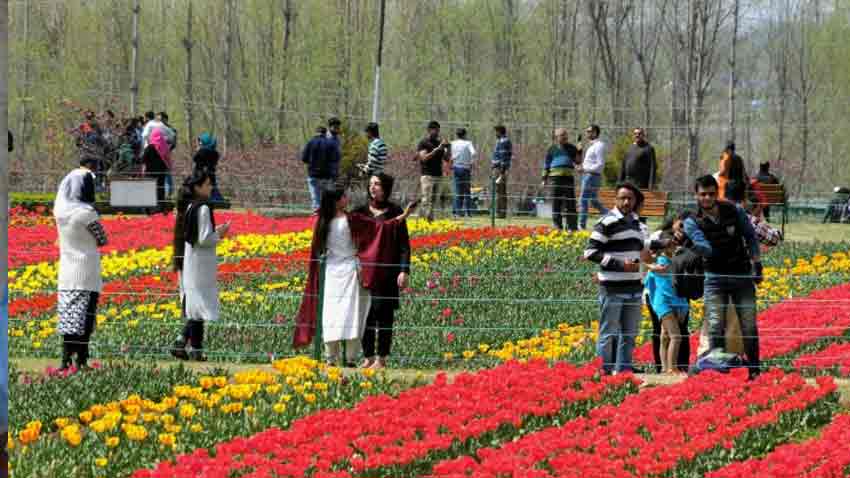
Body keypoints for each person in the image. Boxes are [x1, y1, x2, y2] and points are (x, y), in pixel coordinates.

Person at [293, 188, 416, 366]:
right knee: (353, 313)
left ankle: (331, 358)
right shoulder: (351, 219)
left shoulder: (322, 221)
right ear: (337, 201)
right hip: (350, 270)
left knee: (331, 314)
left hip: (331, 272)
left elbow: (319, 250)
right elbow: (381, 227)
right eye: (343, 196)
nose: (347, 198)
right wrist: (403, 216)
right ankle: (350, 358)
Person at [684, 175, 763, 379]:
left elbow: (751, 237)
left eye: (711, 193)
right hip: (714, 277)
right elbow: (707, 249)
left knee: (748, 324)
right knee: (715, 324)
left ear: (717, 192)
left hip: (742, 274)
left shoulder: (734, 210)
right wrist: (692, 245)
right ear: (696, 195)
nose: (708, 198)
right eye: (703, 194)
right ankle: (718, 374)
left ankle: (755, 371)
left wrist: (757, 263)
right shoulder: (692, 221)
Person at [583, 181, 663, 374]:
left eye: (630, 198)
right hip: (612, 289)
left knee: (629, 334)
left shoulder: (635, 222)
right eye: (623, 198)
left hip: (634, 288)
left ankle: (624, 371)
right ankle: (604, 372)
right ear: (615, 199)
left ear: (635, 201)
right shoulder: (606, 222)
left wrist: (667, 242)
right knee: (608, 333)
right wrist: (620, 264)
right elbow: (590, 252)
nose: (626, 202)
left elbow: (642, 245)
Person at [169, 171, 230, 361]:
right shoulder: (203, 208)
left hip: (191, 260)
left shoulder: (189, 207)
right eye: (208, 184)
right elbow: (204, 238)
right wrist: (220, 233)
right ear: (197, 187)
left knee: (196, 305)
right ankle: (188, 346)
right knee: (200, 306)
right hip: (201, 263)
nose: (211, 187)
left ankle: (191, 347)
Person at [54, 158, 108, 370]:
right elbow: (102, 239)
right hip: (86, 271)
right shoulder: (86, 214)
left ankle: (65, 360)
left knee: (69, 318)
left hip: (67, 271)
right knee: (85, 319)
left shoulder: (60, 213)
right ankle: (82, 360)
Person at [354, 174, 411, 369]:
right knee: (365, 315)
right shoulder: (360, 212)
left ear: (386, 187)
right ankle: (368, 356)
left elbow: (404, 245)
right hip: (364, 272)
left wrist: (404, 270)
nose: (373, 187)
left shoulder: (395, 211)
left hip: (387, 271)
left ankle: (382, 358)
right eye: (370, 184)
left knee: (384, 314)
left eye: (377, 184)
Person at [645, 231, 689, 374]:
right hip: (664, 303)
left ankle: (665, 368)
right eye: (671, 245)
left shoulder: (672, 261)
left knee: (665, 336)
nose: (675, 247)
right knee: (676, 336)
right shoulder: (662, 264)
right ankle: (672, 368)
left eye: (675, 244)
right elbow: (653, 280)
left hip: (672, 302)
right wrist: (647, 264)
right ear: (663, 248)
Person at [541, 128, 580, 231]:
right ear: (556, 137)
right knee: (556, 203)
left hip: (568, 178)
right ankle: (557, 226)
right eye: (562, 135)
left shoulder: (572, 148)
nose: (565, 137)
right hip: (554, 178)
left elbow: (578, 161)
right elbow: (546, 164)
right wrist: (544, 179)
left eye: (565, 135)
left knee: (570, 202)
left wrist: (579, 150)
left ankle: (572, 226)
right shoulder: (551, 149)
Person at [417, 120, 451, 222]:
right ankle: (422, 220)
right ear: (429, 130)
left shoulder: (439, 142)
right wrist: (437, 149)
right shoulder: (423, 143)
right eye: (434, 129)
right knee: (426, 200)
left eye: (438, 130)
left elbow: (447, 159)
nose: (436, 132)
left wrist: (448, 148)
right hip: (427, 175)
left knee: (434, 201)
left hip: (438, 175)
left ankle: (430, 221)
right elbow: (423, 158)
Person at [577, 124, 608, 229]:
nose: (587, 133)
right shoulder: (591, 146)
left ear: (595, 132)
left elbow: (600, 164)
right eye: (587, 131)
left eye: (589, 131)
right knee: (593, 201)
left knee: (583, 200)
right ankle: (610, 216)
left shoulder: (599, 145)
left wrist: (585, 169)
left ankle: (581, 226)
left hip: (591, 176)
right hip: (589, 175)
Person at [302, 126, 340, 212]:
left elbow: (304, 158)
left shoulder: (310, 142)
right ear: (325, 133)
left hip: (313, 174)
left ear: (316, 132)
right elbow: (335, 159)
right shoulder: (330, 143)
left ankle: (316, 214)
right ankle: (327, 216)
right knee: (327, 198)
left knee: (315, 197)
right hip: (327, 175)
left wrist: (311, 162)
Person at [141, 129, 171, 210]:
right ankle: (161, 208)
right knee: (160, 189)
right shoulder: (164, 146)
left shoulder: (149, 147)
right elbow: (168, 159)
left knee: (149, 191)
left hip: (150, 173)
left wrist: (143, 171)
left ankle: (149, 209)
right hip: (161, 172)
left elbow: (143, 160)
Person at [450, 128, 477, 217]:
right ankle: (469, 213)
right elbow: (473, 153)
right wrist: (471, 162)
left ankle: (457, 212)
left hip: (456, 168)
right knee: (467, 191)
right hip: (466, 168)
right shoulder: (468, 143)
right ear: (465, 135)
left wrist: (452, 161)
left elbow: (448, 155)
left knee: (457, 191)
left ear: (457, 135)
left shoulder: (452, 143)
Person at [193, 132, 224, 202]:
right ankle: (215, 198)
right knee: (212, 187)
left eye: (201, 142)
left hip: (200, 175)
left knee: (199, 187)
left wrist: (198, 151)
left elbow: (195, 159)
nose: (199, 143)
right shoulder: (215, 153)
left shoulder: (202, 151)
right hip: (211, 174)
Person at [491, 125, 513, 219]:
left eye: (496, 132)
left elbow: (504, 158)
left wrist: (502, 173)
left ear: (500, 132)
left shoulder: (504, 142)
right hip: (497, 168)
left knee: (501, 191)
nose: (495, 134)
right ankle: (499, 212)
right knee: (498, 191)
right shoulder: (500, 141)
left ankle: (501, 213)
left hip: (500, 169)